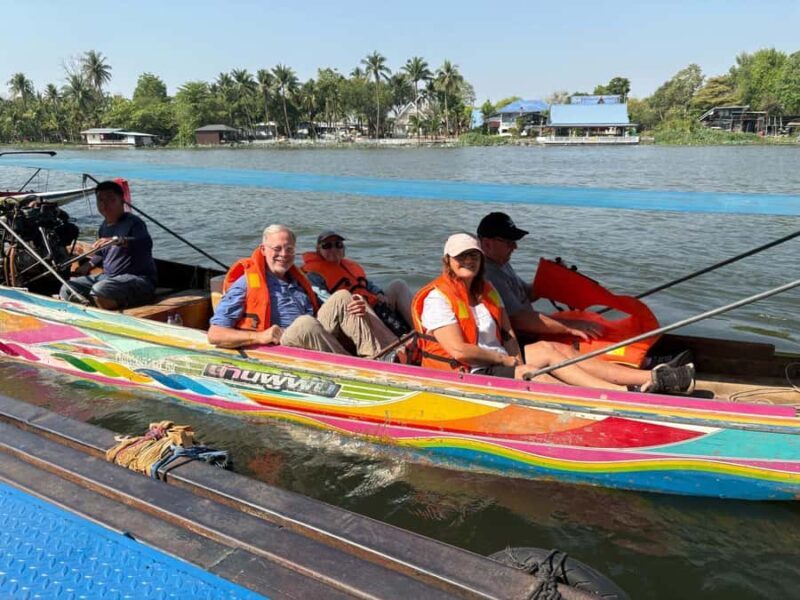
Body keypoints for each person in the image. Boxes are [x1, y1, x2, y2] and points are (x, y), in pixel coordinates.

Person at [412, 233, 694, 393]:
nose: (468, 261)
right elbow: (460, 351)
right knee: (536, 374)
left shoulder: (486, 288)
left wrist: (515, 357)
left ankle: (648, 379)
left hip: (500, 357)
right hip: (466, 371)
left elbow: (508, 330)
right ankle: (618, 396)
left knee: (552, 350)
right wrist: (510, 362)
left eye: (472, 255)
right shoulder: (438, 298)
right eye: (461, 257)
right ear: (447, 261)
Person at [207, 224, 397, 357]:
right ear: (263, 250)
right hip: (282, 341)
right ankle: (354, 367)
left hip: (313, 336)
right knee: (305, 323)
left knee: (344, 297)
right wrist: (260, 336)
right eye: (277, 249)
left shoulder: (299, 280)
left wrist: (355, 307)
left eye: (289, 249)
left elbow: (328, 309)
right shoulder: (247, 283)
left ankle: (384, 356)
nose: (283, 255)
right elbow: (215, 334)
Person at [60, 180, 156, 310]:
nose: (104, 205)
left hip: (139, 280)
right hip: (109, 278)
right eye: (100, 200)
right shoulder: (104, 226)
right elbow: (101, 253)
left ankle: (110, 311)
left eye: (110, 199)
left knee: (101, 290)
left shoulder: (134, 223)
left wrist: (118, 240)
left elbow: (143, 242)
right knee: (68, 287)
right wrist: (87, 265)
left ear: (122, 200)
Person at [302, 230, 413, 335]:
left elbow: (367, 284)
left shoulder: (351, 266)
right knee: (359, 301)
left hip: (371, 306)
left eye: (338, 245)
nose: (334, 249)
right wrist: (356, 303)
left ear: (343, 249)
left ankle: (421, 330)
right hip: (349, 315)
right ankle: (396, 344)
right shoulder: (313, 274)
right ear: (318, 250)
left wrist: (378, 293)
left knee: (398, 285)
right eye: (327, 246)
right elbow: (326, 302)